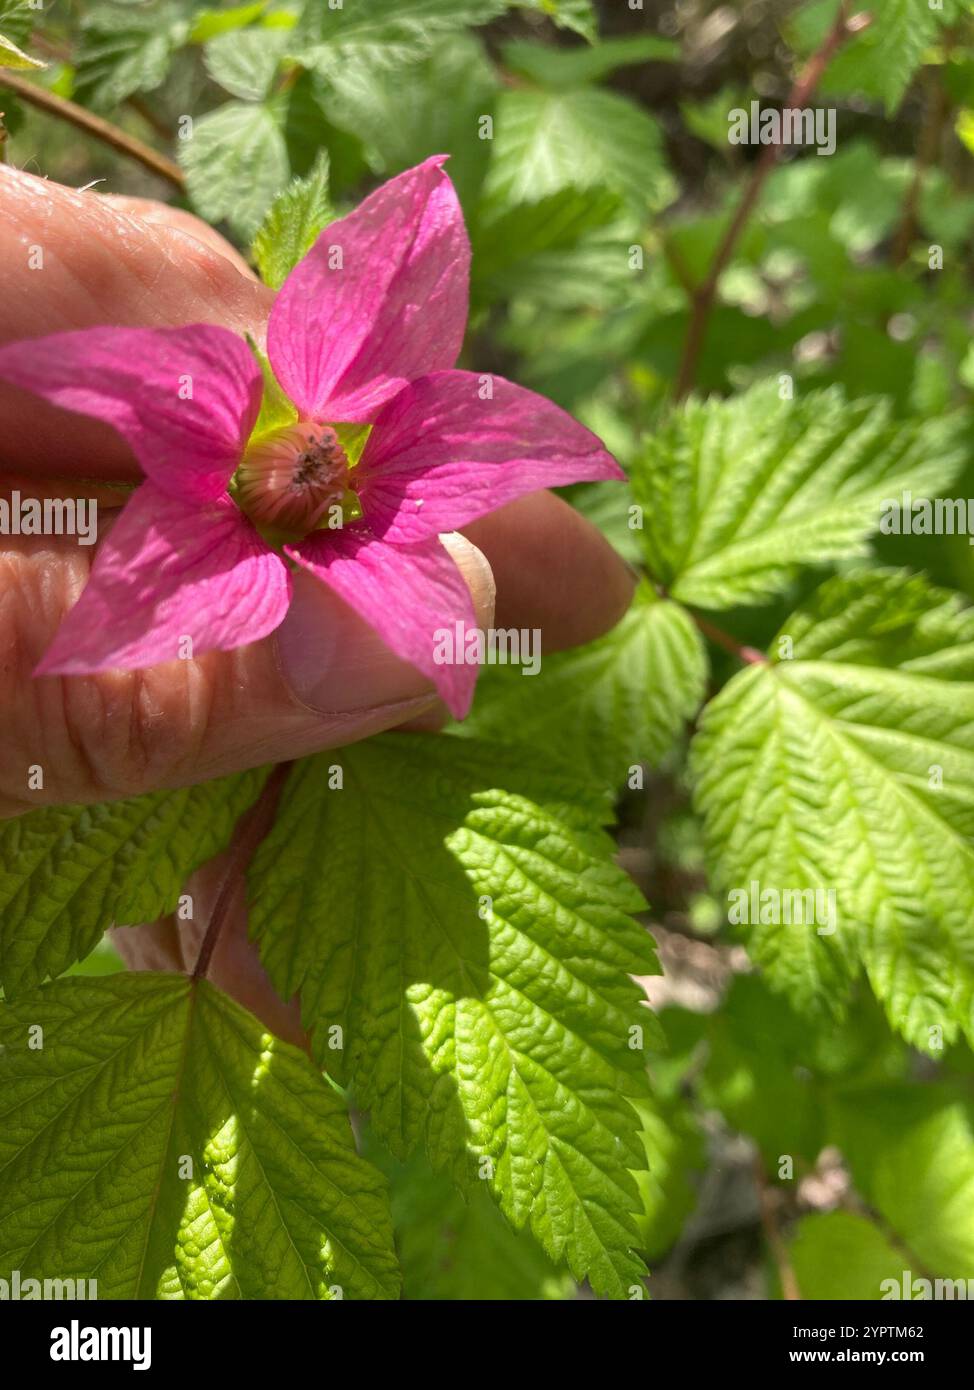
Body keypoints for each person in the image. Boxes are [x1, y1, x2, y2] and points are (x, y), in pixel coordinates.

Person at [0, 163, 635, 1040]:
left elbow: (446, 576)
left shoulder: (364, 506)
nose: (322, 458)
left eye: (334, 456)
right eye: (305, 450)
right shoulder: (229, 463)